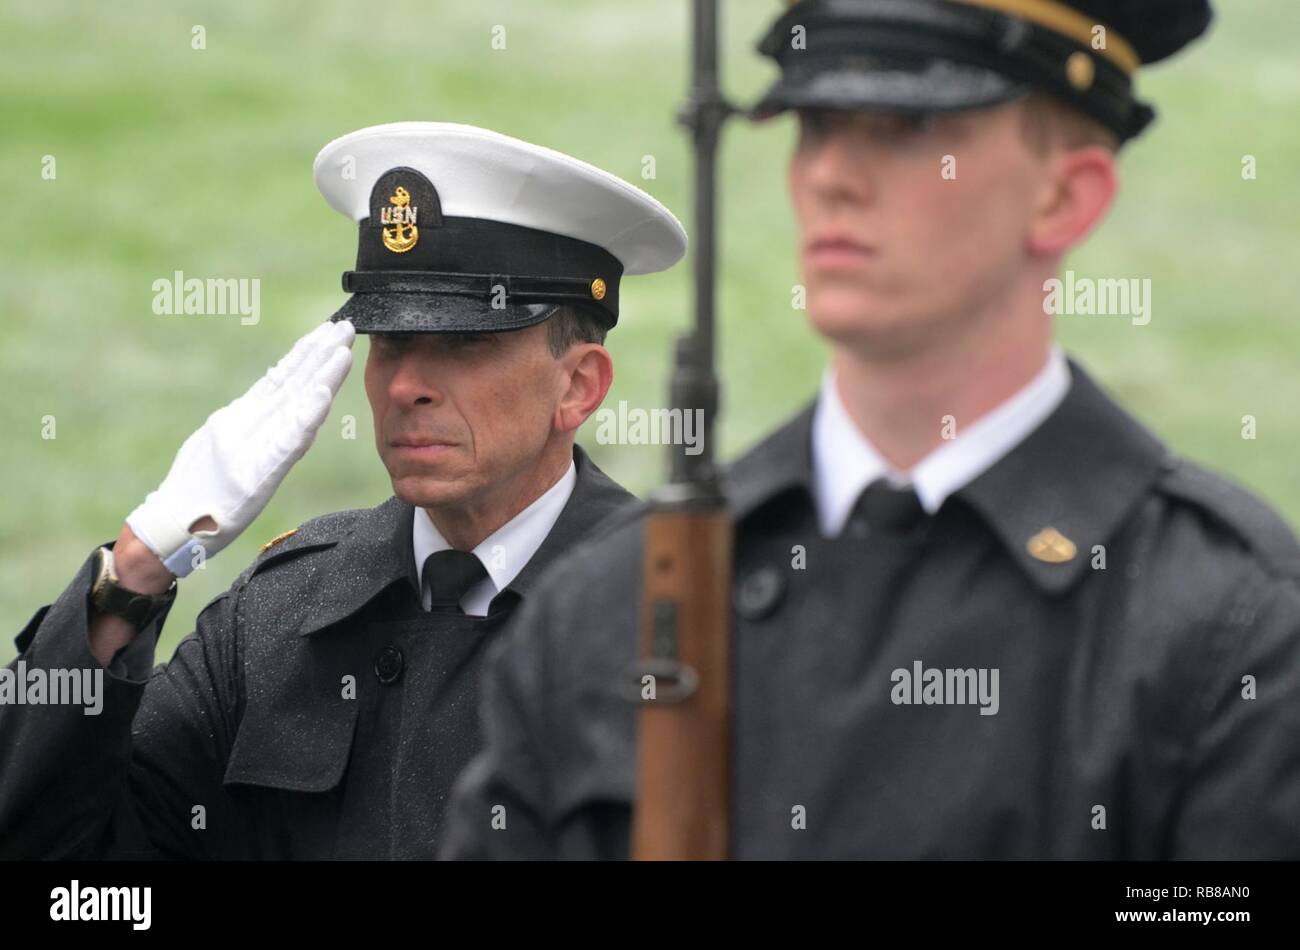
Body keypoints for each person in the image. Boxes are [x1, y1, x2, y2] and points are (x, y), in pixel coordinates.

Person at [441, 0, 1300, 859]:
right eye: (815, 125)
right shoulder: (609, 602)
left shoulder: (1227, 629)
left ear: (1066, 198)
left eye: (903, 127)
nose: (829, 177)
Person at [0, 121, 686, 858]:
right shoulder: (280, 616)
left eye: (462, 345)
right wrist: (139, 567)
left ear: (578, 386)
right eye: (388, 341)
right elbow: (67, 874)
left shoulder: (669, 616)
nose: (407, 386)